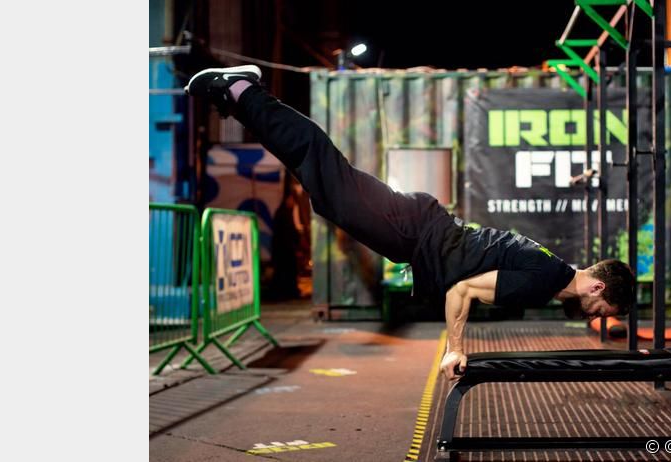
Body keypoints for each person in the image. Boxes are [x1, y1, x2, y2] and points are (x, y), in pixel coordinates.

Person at [185, 65, 636, 381]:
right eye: (604, 313)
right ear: (598, 288)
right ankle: (243, 91)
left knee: (324, 186)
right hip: (414, 228)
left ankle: (242, 98)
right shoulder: (545, 280)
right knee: (323, 168)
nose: (597, 320)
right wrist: (455, 348)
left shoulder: (551, 269)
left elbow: (471, 275)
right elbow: (463, 291)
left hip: (415, 232)